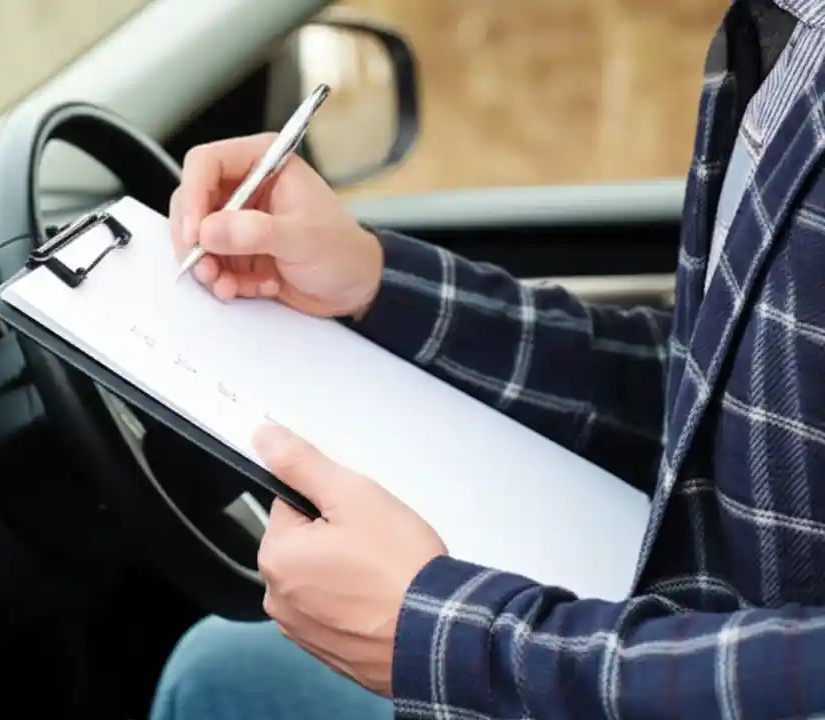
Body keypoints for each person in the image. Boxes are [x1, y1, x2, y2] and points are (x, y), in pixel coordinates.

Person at [149, 0, 825, 717]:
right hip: (654, 632)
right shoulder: (787, 31)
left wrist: (459, 642)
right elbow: (718, 395)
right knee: (223, 669)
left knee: (222, 682)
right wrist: (376, 285)